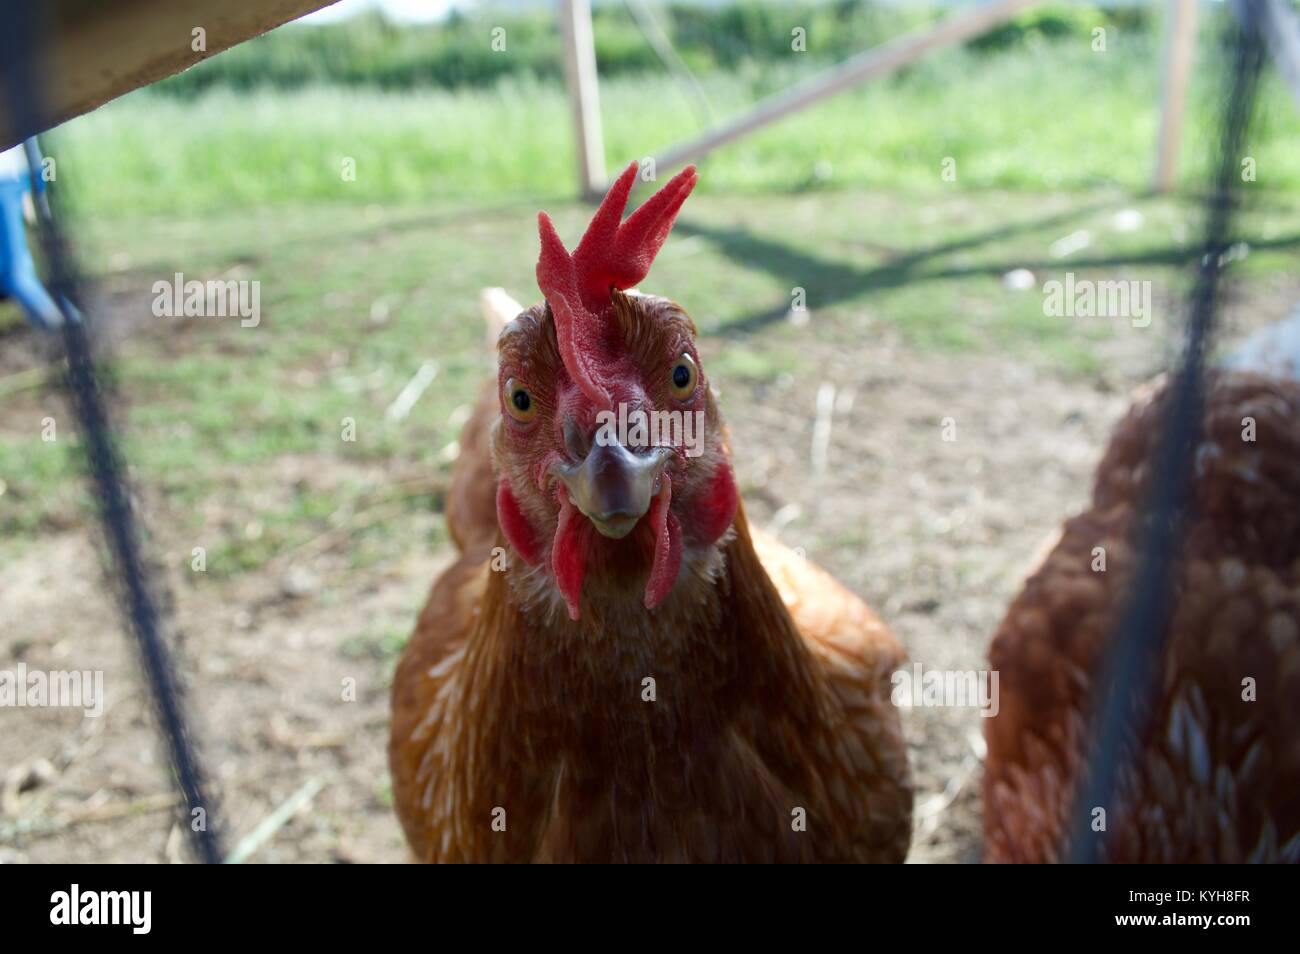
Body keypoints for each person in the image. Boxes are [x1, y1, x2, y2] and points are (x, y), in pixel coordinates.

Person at [0, 140, 61, 329]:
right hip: (19, 173)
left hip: (7, 179)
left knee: (15, 272)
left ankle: (62, 324)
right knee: (17, 265)